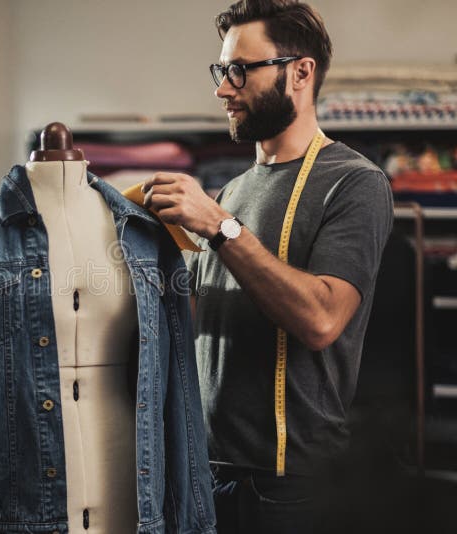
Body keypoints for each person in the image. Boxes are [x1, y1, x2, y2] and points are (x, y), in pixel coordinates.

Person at [142, 1, 393, 532]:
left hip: (291, 487)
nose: (222, 90)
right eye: (221, 71)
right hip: (207, 473)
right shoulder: (233, 192)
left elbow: (321, 319)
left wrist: (220, 227)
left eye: (240, 70)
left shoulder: (355, 183)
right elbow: (196, 323)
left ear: (300, 72)